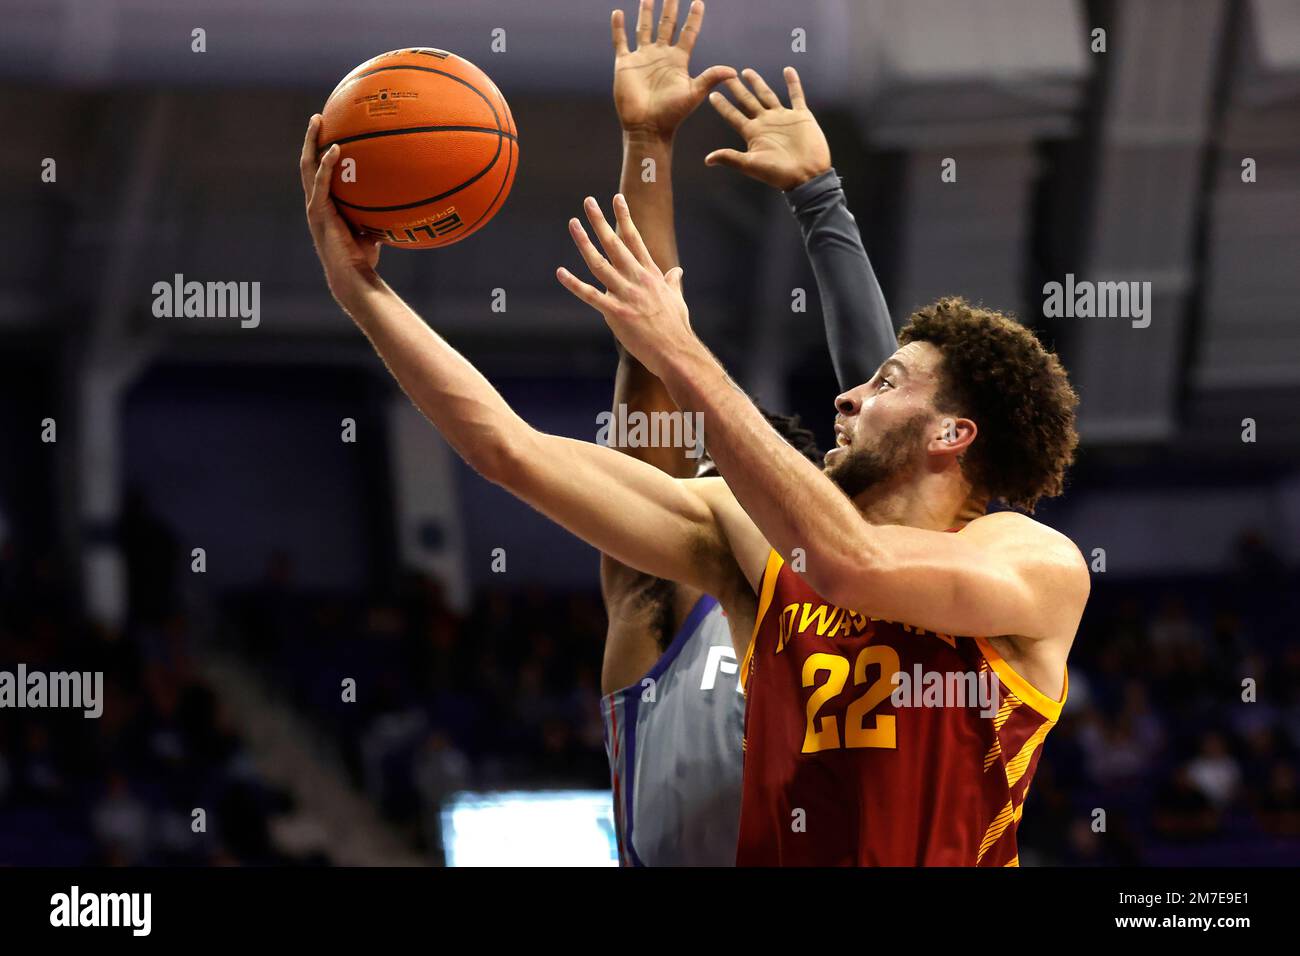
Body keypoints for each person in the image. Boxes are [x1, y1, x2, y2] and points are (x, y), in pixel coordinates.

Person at [301, 101, 1087, 873]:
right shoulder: (749, 546)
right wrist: (362, 294)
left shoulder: (1032, 564)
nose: (847, 396)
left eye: (883, 382)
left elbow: (859, 564)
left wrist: (685, 348)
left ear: (954, 435)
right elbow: (508, 449)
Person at [596, 0, 896, 865]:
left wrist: (822, 196)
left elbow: (885, 418)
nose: (712, 496)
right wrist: (647, 146)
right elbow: (650, 362)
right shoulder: (663, 601)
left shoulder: (867, 595)